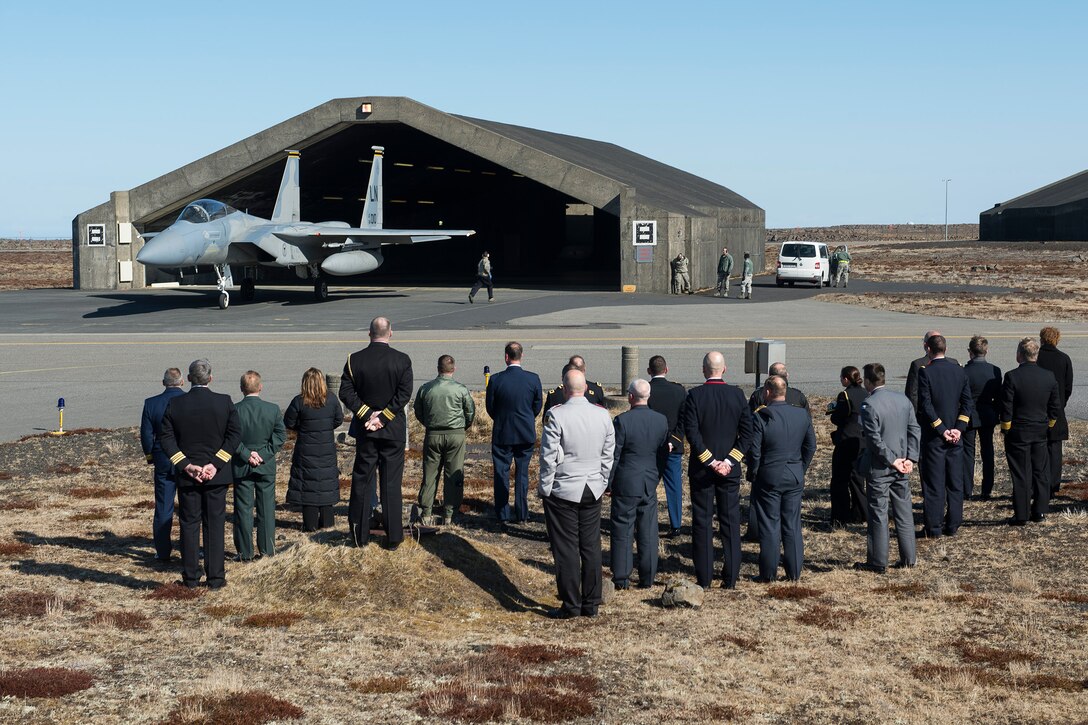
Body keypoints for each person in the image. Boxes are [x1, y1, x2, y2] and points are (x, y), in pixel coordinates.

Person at [539, 369, 615, 618]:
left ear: (564, 387)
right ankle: (591, 602)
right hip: (591, 488)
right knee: (591, 546)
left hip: (564, 488)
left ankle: (571, 605)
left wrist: (545, 486)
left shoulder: (556, 415)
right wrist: (602, 481)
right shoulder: (603, 415)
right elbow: (608, 454)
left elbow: (548, 457)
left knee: (566, 548)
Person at [158, 359, 241, 589]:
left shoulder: (176, 404)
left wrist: (185, 465)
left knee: (190, 525)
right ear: (210, 378)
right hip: (217, 475)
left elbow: (165, 438)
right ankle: (215, 578)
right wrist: (215, 464)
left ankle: (191, 578)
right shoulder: (224, 402)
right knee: (214, 524)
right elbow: (234, 436)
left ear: (190, 378)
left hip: (188, 475)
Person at [681, 351, 753, 589]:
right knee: (730, 522)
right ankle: (730, 578)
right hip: (728, 470)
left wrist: (711, 461)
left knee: (702, 523)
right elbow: (747, 434)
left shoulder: (695, 396)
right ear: (725, 369)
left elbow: (692, 433)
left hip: (703, 470)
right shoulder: (737, 395)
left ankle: (705, 578)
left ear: (704, 370)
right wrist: (729, 461)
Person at [339, 317, 413, 549]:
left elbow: (345, 392)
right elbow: (404, 394)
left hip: (367, 430)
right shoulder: (402, 360)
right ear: (390, 333)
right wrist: (382, 417)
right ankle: (392, 538)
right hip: (392, 431)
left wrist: (367, 414)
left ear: (369, 333)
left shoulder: (355, 360)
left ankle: (359, 536)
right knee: (391, 484)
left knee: (362, 481)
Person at [748, 376, 816, 582]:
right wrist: (800, 469)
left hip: (769, 476)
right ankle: (794, 572)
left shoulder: (761, 416)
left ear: (768, 392)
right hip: (794, 474)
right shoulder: (801, 414)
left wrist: (754, 472)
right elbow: (810, 446)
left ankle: (768, 574)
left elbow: (754, 451)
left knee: (770, 525)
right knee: (792, 524)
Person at [854, 363, 919, 574]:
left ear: (867, 381)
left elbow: (874, 440)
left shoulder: (869, 405)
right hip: (901, 465)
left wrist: (892, 460)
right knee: (904, 512)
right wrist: (910, 458)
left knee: (878, 514)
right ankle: (909, 558)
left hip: (881, 467)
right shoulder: (903, 400)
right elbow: (913, 429)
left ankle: (877, 561)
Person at [608, 379, 669, 590]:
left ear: (630, 397)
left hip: (626, 481)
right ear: (648, 396)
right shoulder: (661, 421)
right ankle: (647, 576)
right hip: (648, 481)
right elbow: (663, 455)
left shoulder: (622, 421)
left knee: (622, 530)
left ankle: (622, 577)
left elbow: (614, 456)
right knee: (649, 532)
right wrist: (656, 476)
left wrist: (609, 482)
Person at [916, 334, 973, 538]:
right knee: (955, 482)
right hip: (956, 437)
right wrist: (958, 428)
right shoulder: (959, 371)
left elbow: (926, 405)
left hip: (935, 437)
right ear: (946, 349)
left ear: (927, 348)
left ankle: (934, 527)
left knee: (934, 483)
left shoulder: (926, 373)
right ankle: (953, 524)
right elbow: (967, 404)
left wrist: (941, 430)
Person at [1000, 338, 1061, 525]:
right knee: (1040, 472)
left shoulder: (1012, 376)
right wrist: (1048, 425)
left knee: (1021, 473)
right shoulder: (1049, 376)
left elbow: (1006, 407)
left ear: (1019, 355)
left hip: (1019, 430)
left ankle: (1021, 514)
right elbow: (1055, 407)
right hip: (1040, 430)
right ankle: (1040, 511)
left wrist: (1006, 428)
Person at [485, 341, 543, 526]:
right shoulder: (533, 379)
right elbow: (537, 405)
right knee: (522, 473)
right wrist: (526, 418)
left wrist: (501, 418)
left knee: (501, 473)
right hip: (525, 432)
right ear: (522, 356)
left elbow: (490, 407)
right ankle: (522, 513)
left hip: (503, 431)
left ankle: (503, 513)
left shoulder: (495, 380)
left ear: (506, 357)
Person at [413, 354, 475, 525]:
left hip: (433, 434)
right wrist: (462, 427)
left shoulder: (426, 388)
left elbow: (418, 410)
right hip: (455, 433)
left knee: (430, 474)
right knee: (453, 473)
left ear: (438, 368)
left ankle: (426, 511)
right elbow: (470, 411)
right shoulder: (461, 389)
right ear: (453, 369)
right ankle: (450, 513)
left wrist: (428, 423)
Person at [231, 371, 286, 560]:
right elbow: (280, 437)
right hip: (265, 465)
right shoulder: (272, 409)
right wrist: (262, 455)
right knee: (267, 509)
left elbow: (230, 438)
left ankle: (245, 552)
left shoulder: (235, 410)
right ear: (260, 387)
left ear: (241, 389)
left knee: (244, 511)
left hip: (242, 465)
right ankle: (267, 550)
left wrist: (246, 454)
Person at [285, 368, 343, 533]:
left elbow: (289, 422)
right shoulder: (331, 400)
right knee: (326, 488)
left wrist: (302, 428)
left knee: (308, 489)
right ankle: (327, 527)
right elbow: (338, 419)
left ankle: (310, 526)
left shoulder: (299, 401)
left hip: (305, 450)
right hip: (326, 449)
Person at [140, 367, 186, 564]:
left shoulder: (151, 404)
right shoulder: (188, 400)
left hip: (163, 460)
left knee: (163, 507)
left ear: (163, 382)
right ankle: (189, 549)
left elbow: (146, 435)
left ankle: (162, 551)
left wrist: (151, 456)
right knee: (189, 508)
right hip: (187, 460)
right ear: (182, 382)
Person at [646, 355, 686, 537]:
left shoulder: (645, 391)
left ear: (649, 371)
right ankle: (676, 524)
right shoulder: (679, 391)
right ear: (666, 370)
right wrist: (674, 440)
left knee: (647, 487)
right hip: (673, 447)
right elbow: (684, 420)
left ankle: (646, 521)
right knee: (674, 487)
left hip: (651, 449)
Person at [828, 366, 869, 526]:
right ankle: (861, 513)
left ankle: (840, 516)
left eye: (841, 377)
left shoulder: (845, 395)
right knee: (858, 481)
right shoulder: (866, 393)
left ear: (846, 379)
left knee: (839, 481)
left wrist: (833, 413)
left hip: (846, 441)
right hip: (862, 441)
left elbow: (838, 418)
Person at [963, 336, 1002, 500]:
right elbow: (999, 397)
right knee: (988, 451)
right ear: (986, 351)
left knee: (967, 453)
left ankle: (967, 489)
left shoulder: (964, 371)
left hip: (968, 415)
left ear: (970, 352)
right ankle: (987, 488)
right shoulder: (995, 370)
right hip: (987, 413)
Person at [1037, 327, 1073, 495]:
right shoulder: (1064, 359)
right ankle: (1053, 485)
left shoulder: (1036, 358)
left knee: (1038, 448)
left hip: (1037, 408)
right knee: (1055, 449)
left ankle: (1039, 483)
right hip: (1057, 409)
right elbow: (1068, 387)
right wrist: (1060, 404)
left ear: (1042, 339)